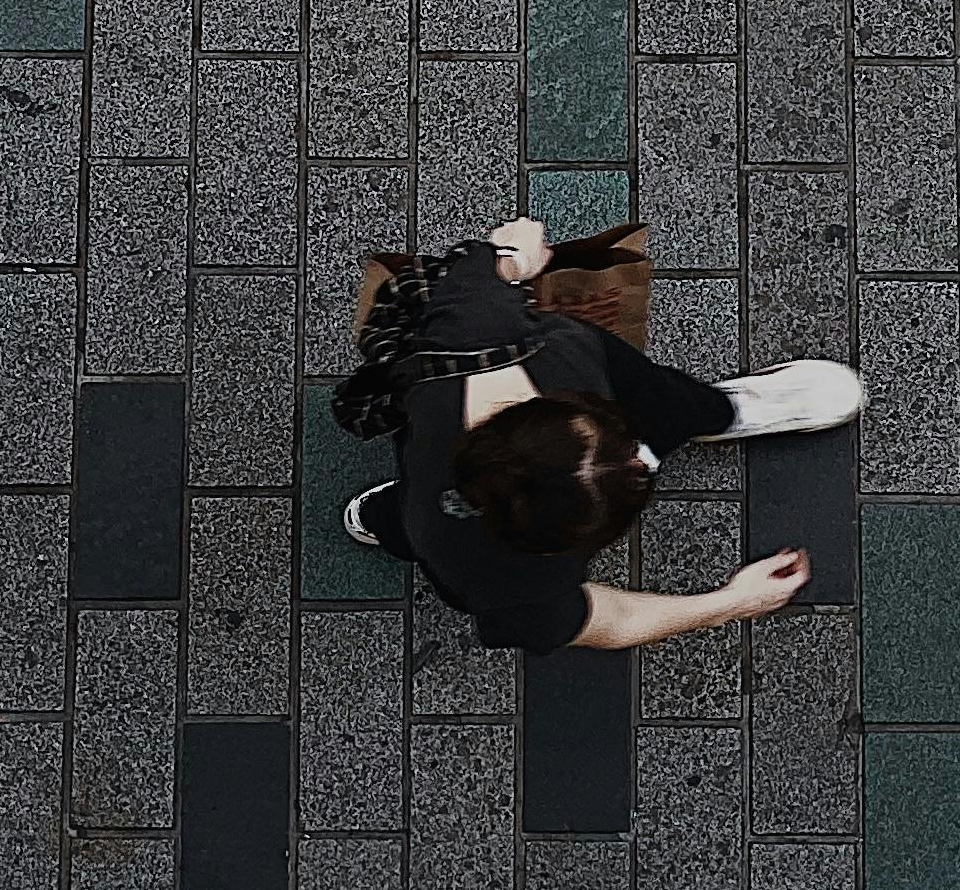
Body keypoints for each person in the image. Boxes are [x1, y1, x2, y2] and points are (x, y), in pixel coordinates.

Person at [339, 214, 866, 654]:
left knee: (413, 519)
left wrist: (515, 258)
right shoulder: (517, 591)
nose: (642, 460)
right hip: (599, 374)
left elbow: (486, 267)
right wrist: (732, 603)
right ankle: (716, 413)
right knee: (661, 404)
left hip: (431, 487)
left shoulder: (469, 337)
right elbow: (608, 621)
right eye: (636, 471)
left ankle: (383, 516)